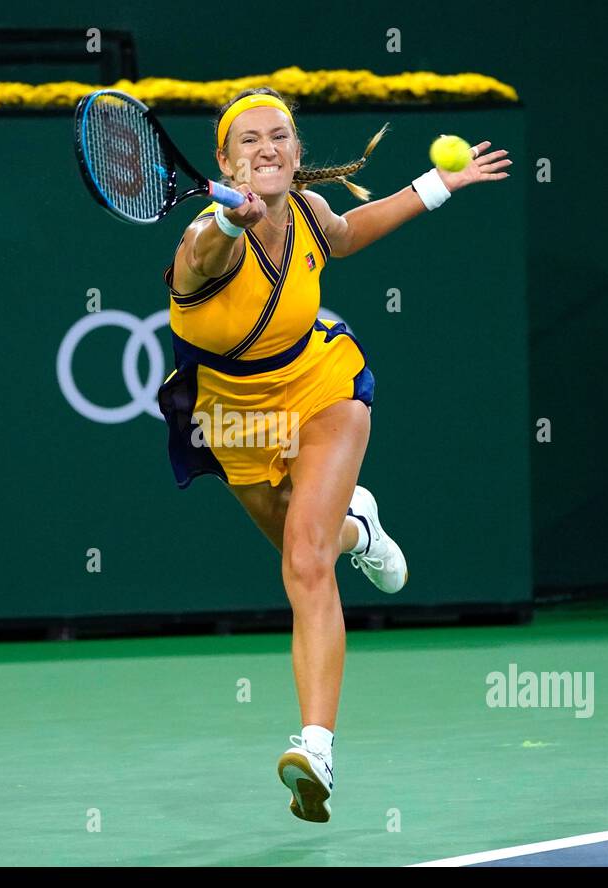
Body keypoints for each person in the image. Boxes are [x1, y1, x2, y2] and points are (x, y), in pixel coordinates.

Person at [157, 87, 511, 823]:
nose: (267, 149)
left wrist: (435, 186)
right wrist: (228, 216)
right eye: (248, 141)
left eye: (279, 136)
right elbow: (209, 248)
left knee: (305, 562)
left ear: (296, 150)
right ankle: (365, 529)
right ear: (225, 162)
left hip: (323, 385)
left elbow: (346, 234)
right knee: (302, 544)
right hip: (234, 420)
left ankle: (315, 747)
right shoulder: (201, 244)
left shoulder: (310, 213)